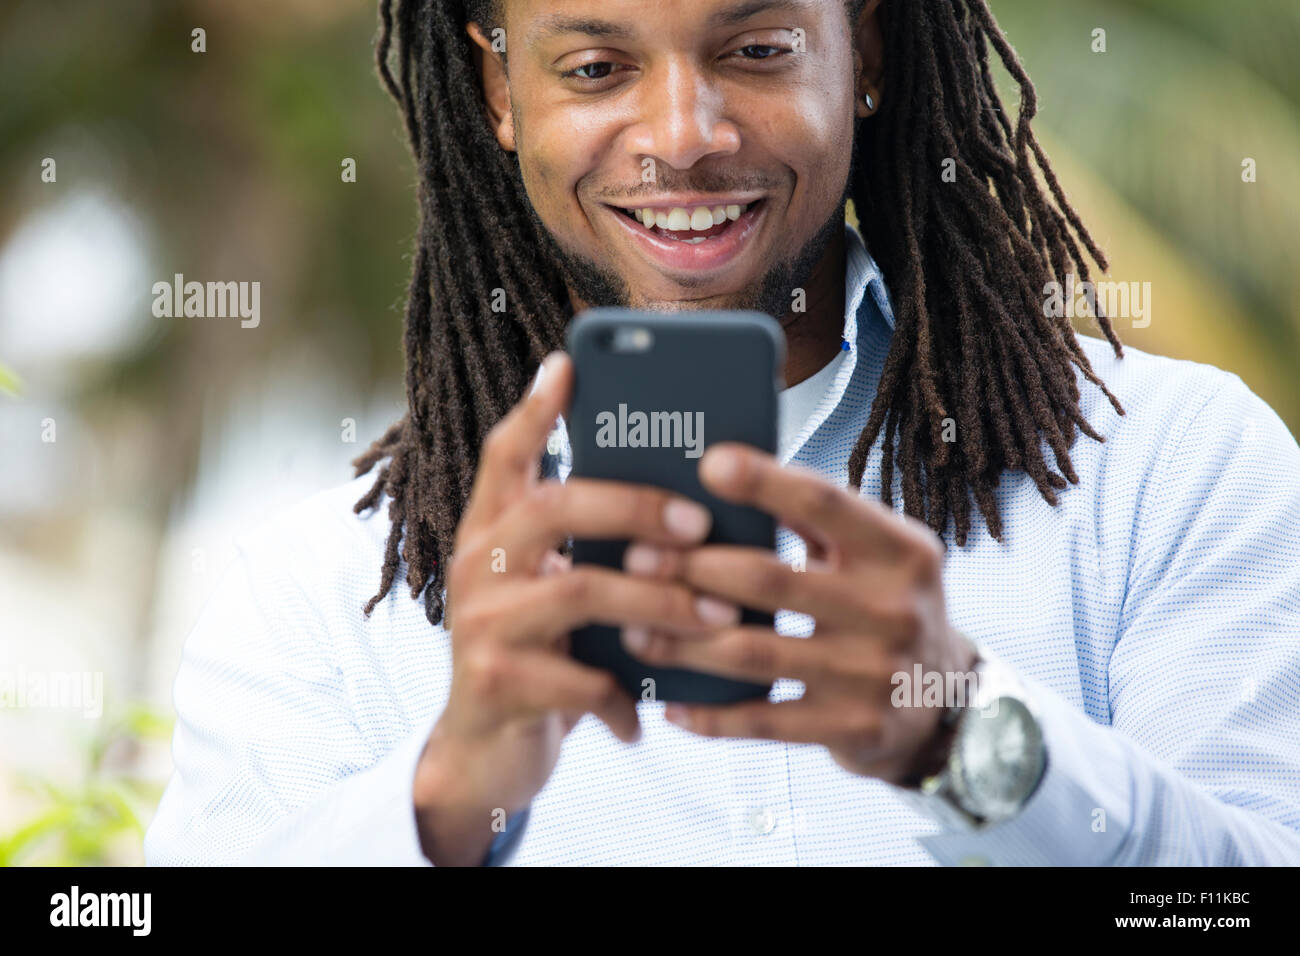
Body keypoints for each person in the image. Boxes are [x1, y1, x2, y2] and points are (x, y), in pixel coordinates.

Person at [145, 0, 1300, 865]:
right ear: (498, 92)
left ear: (868, 51)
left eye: (755, 51)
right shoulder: (317, 591)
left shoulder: (1172, 467)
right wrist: (442, 800)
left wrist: (972, 738)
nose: (683, 137)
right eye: (596, 68)